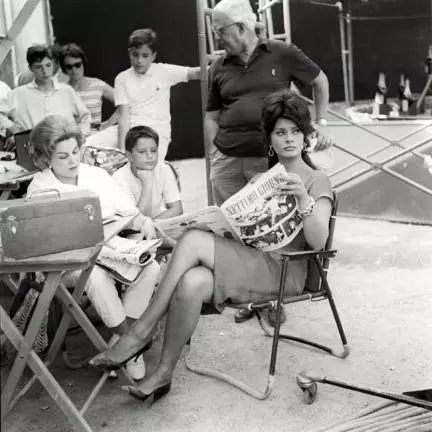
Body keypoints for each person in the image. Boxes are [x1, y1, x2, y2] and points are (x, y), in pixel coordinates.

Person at [89, 89, 334, 404]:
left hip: (286, 270)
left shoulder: (316, 180)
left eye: (296, 131)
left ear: (306, 136)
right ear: (270, 139)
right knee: (193, 281)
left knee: (191, 243)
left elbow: (319, 242)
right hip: (252, 261)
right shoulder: (263, 179)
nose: (288, 139)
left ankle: (139, 332)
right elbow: (240, 229)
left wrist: (302, 198)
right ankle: (163, 373)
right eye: (280, 132)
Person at [27, 114, 160, 380]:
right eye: (63, 157)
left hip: (108, 248)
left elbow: (128, 212)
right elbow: (40, 242)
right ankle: (131, 343)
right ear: (46, 159)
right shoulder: (40, 187)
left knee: (151, 267)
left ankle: (121, 345)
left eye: (75, 152)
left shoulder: (96, 175)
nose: (73, 160)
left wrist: (143, 220)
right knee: (96, 278)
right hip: (69, 263)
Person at [206, 0, 334, 208]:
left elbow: (320, 81)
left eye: (220, 31)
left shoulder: (282, 52)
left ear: (240, 27)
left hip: (269, 161)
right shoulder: (218, 67)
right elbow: (211, 117)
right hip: (227, 163)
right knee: (228, 226)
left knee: (268, 221)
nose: (217, 38)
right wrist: (214, 155)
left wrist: (321, 123)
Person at [108, 28, 202, 158]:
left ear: (154, 56)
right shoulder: (121, 78)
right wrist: (122, 151)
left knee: (144, 164)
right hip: (131, 129)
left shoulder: (163, 71)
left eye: (145, 55)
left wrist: (225, 65)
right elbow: (123, 117)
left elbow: (196, 73)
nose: (139, 60)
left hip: (157, 131)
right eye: (135, 54)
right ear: (129, 53)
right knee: (89, 146)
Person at [7, 45, 90, 138]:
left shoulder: (66, 91)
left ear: (53, 64)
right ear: (30, 68)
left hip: (65, 146)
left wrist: (80, 136)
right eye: (38, 67)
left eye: (48, 65)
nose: (45, 71)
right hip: (33, 148)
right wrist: (14, 132)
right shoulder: (18, 94)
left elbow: (85, 116)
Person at [113, 125, 182, 219]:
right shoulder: (119, 178)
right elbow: (134, 221)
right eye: (142, 152)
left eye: (153, 151)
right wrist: (147, 185)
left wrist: (152, 226)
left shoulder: (163, 168)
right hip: (135, 231)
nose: (150, 156)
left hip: (158, 224)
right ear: (129, 156)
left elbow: (177, 209)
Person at [59, 43, 119, 137]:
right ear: (64, 69)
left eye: (77, 65)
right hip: (72, 138)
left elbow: (124, 103)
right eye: (69, 67)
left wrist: (108, 124)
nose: (74, 70)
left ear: (83, 63)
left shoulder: (97, 84)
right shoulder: (62, 90)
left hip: (96, 136)